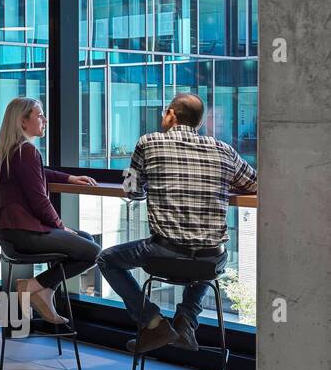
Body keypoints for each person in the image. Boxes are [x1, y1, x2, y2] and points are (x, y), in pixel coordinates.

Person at [96, 93, 257, 354]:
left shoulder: (148, 142)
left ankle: (153, 322)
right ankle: (186, 323)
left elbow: (132, 190)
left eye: (164, 113)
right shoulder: (224, 149)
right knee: (212, 252)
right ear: (199, 123)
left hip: (164, 254)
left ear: (171, 114)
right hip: (210, 259)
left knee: (106, 259)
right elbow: (254, 183)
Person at [0, 97, 101, 324]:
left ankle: (45, 290)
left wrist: (69, 177)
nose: (45, 120)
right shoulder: (26, 151)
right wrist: (62, 227)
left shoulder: (15, 150)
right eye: (39, 115)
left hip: (10, 230)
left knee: (87, 239)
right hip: (23, 232)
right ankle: (31, 286)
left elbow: (39, 173)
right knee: (94, 252)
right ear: (23, 122)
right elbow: (39, 201)